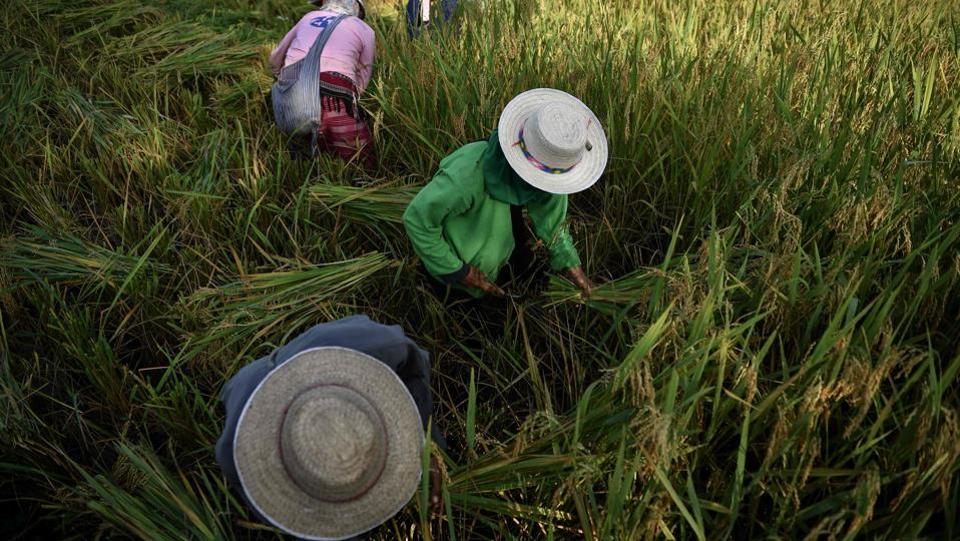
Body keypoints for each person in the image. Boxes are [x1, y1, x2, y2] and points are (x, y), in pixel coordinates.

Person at [216, 315, 445, 540]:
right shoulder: (235, 449)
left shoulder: (378, 345)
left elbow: (415, 368)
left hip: (334, 342)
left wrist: (429, 448)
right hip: (245, 383)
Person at [403, 88, 607, 299]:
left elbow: (553, 225)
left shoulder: (553, 171)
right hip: (457, 271)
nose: (547, 189)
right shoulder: (466, 176)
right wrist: (458, 271)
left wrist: (572, 267)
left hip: (507, 242)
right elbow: (418, 220)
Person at [269, 0, 375, 165]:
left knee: (302, 150)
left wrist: (281, 78)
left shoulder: (309, 17)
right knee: (360, 157)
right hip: (334, 95)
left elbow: (275, 58)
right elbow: (364, 73)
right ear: (356, 8)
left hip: (291, 95)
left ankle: (306, 150)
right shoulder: (365, 29)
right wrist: (352, 99)